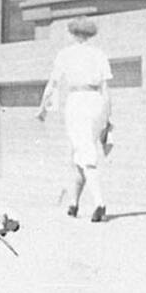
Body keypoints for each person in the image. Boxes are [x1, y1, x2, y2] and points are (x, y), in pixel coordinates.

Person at [36, 16, 113, 222]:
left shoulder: (65, 54)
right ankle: (74, 203)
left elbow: (53, 83)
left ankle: (99, 203)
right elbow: (106, 90)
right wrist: (107, 117)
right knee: (81, 151)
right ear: (90, 34)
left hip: (77, 100)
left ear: (72, 34)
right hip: (96, 101)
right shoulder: (99, 54)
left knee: (84, 152)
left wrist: (43, 107)